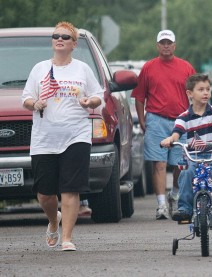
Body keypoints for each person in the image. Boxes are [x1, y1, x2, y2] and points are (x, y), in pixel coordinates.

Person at [21, 21, 104, 251]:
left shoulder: (82, 69)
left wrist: (90, 101)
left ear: (74, 44)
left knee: (70, 189)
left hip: (76, 136)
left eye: (65, 37)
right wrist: (34, 102)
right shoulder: (39, 69)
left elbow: (98, 95)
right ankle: (53, 220)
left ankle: (67, 238)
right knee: (45, 194)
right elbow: (26, 98)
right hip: (44, 139)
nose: (59, 39)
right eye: (56, 36)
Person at [162, 73, 212, 232]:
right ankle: (185, 209)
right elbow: (177, 133)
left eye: (208, 89)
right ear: (190, 94)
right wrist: (170, 139)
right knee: (185, 173)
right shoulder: (184, 117)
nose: (206, 93)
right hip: (193, 156)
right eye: (201, 90)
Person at [132, 29, 196, 220]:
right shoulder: (148, 68)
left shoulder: (186, 68)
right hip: (157, 119)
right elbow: (139, 96)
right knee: (158, 163)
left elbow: (196, 94)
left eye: (169, 43)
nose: (166, 46)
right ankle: (161, 205)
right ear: (158, 45)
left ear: (175, 45)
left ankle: (174, 196)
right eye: (163, 43)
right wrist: (143, 121)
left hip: (181, 120)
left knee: (180, 164)